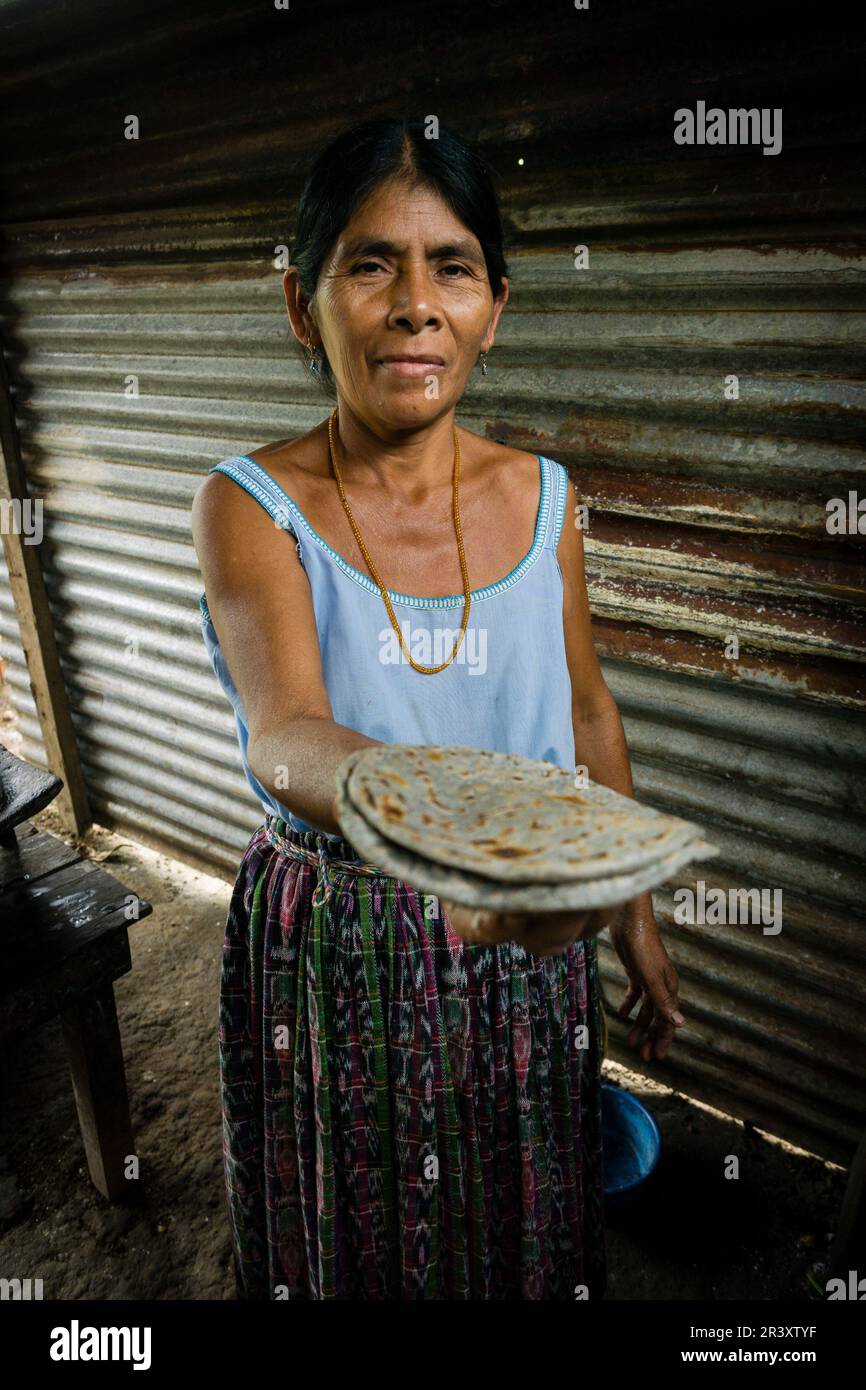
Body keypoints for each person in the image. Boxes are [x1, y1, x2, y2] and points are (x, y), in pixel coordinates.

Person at [191, 117, 685, 1301]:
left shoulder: (545, 495)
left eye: (450, 265)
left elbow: (586, 707)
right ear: (302, 307)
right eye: (369, 263)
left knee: (521, 1195)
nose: (415, 304)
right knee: (362, 1227)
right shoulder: (248, 504)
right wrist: (467, 822)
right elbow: (287, 731)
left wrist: (628, 912)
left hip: (527, 920)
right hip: (341, 931)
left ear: (494, 306)